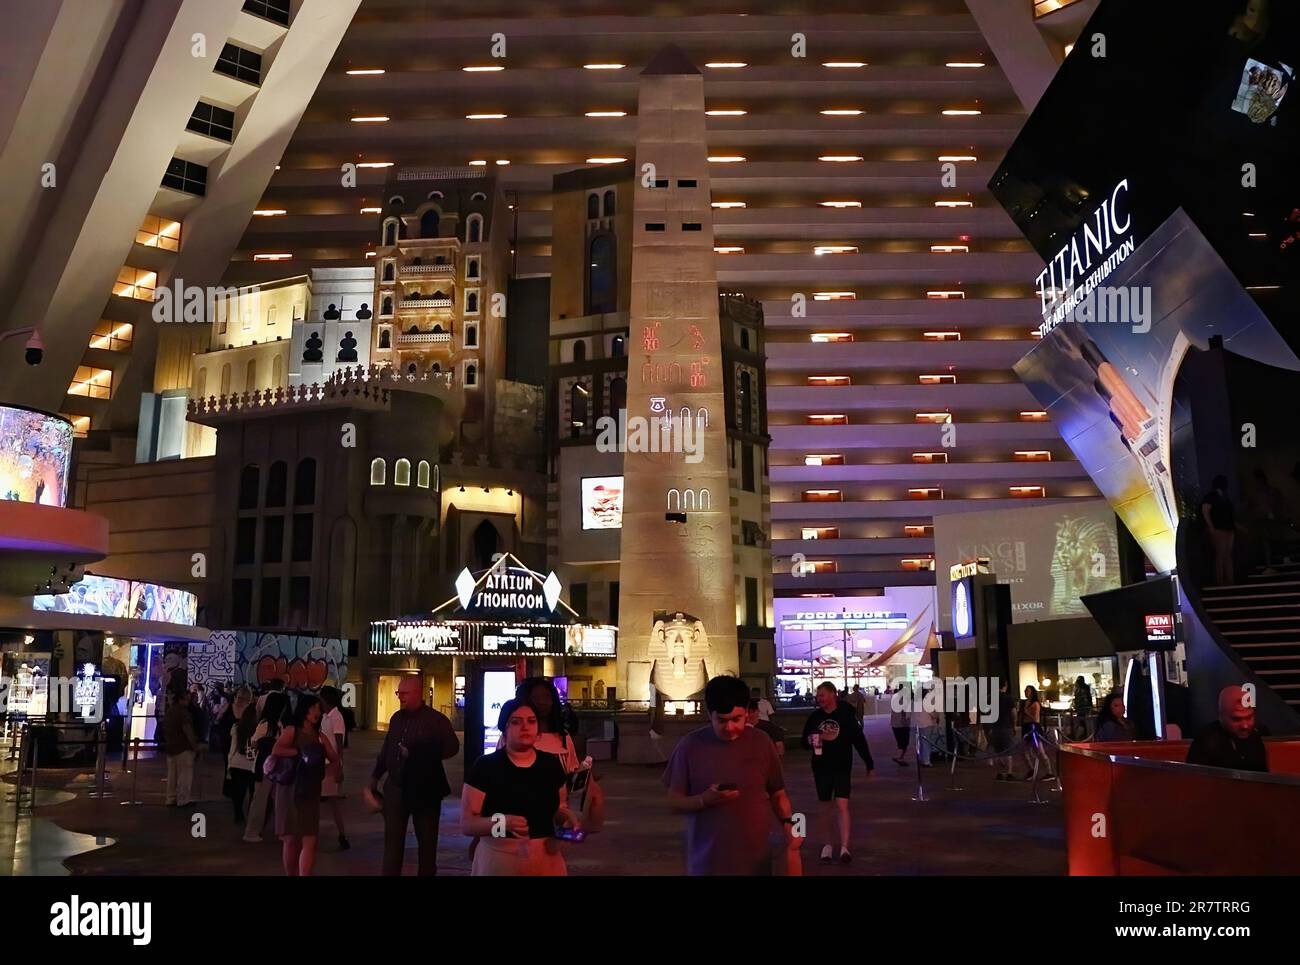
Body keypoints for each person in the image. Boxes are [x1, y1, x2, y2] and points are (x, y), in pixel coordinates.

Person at [664, 675, 802, 876]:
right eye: (721, 720)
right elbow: (672, 802)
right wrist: (704, 800)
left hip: (757, 863)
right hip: (707, 864)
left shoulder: (761, 742)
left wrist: (793, 827)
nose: (729, 728)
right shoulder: (690, 746)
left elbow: (778, 794)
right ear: (708, 714)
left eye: (736, 719)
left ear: (747, 712)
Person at [461, 698, 576, 875]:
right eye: (516, 722)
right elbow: (468, 824)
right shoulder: (486, 766)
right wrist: (502, 823)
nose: (525, 727)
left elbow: (558, 810)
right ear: (504, 730)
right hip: (499, 858)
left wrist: (569, 827)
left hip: (545, 859)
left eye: (531, 721)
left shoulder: (550, 765)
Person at [370, 676, 460, 875]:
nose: (400, 697)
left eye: (404, 693)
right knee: (392, 846)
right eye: (398, 693)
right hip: (396, 788)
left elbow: (452, 747)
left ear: (418, 693)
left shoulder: (437, 721)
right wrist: (374, 779)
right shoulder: (397, 718)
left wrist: (421, 754)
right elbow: (387, 750)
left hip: (425, 790)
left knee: (427, 845)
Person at [801, 680, 874, 864]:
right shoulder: (815, 717)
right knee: (824, 807)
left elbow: (859, 740)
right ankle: (827, 845)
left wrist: (869, 763)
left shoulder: (845, 715)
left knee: (842, 806)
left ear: (833, 694)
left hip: (842, 766)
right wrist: (810, 741)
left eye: (822, 695)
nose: (819, 699)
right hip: (821, 767)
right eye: (818, 696)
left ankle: (844, 847)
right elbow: (804, 741)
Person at [271, 694, 339, 876]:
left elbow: (334, 758)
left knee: (310, 839)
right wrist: (300, 753)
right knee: (291, 839)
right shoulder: (292, 731)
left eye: (318, 708)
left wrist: (329, 772)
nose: (316, 712)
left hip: (310, 791)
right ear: (303, 710)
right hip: (290, 789)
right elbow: (277, 749)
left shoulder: (320, 736)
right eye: (312, 708)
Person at [1186, 685, 1269, 772]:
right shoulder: (1205, 740)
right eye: (1237, 719)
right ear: (1221, 716)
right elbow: (1196, 781)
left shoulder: (1259, 733)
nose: (1245, 726)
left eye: (1249, 718)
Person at [243, 691, 289, 843]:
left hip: (273, 767)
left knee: (273, 799)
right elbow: (254, 744)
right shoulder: (267, 724)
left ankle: (274, 829)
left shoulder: (275, 724)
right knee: (260, 800)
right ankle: (251, 831)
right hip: (265, 767)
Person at [319, 686, 349, 851]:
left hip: (331, 765)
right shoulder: (325, 716)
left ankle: (342, 835)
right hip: (322, 764)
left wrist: (339, 767)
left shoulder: (336, 717)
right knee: (330, 802)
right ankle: (341, 835)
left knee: (333, 802)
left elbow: (339, 744)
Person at [224, 687, 257, 823]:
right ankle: (252, 815)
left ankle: (238, 816)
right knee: (253, 792)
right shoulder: (259, 729)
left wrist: (229, 764)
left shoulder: (236, 728)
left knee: (238, 793)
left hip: (237, 764)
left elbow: (232, 749)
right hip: (252, 765)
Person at [163, 688, 198, 807]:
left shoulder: (169, 711)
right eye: (187, 699)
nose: (188, 701)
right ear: (181, 699)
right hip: (183, 747)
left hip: (171, 747)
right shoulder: (183, 712)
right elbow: (187, 730)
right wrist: (194, 745)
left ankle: (170, 798)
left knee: (172, 775)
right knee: (185, 775)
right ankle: (183, 799)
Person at [1202, 474, 1237, 586]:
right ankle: (1220, 581)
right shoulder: (1211, 497)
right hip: (1219, 528)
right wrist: (1211, 526)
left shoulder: (1225, 498)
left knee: (1227, 555)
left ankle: (1230, 580)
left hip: (1228, 528)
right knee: (1221, 554)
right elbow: (1205, 510)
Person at [1019, 685, 1055, 780]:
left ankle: (1049, 772)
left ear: (1032, 692)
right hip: (1026, 727)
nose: (1025, 692)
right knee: (1024, 751)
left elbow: (1035, 718)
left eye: (1027, 691)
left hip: (1033, 727)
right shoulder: (1024, 703)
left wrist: (1026, 712)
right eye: (1025, 690)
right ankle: (1031, 770)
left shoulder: (1035, 704)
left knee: (1040, 751)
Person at [990, 679, 1017, 780]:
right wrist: (1014, 725)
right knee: (1008, 750)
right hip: (1006, 726)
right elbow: (1013, 713)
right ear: (1005, 686)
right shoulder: (1008, 698)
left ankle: (999, 773)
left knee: (997, 751)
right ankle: (1009, 773)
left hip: (995, 727)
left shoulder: (991, 698)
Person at [889, 685, 910, 766]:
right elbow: (904, 713)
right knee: (904, 742)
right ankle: (900, 758)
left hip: (894, 724)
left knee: (900, 742)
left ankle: (899, 757)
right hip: (902, 725)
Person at [1072, 675, 1093, 740]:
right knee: (1083, 721)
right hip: (1084, 707)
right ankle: (1084, 734)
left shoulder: (1077, 688)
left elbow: (1077, 698)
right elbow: (1089, 697)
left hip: (1080, 707)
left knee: (1081, 720)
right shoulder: (1085, 687)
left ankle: (1081, 734)